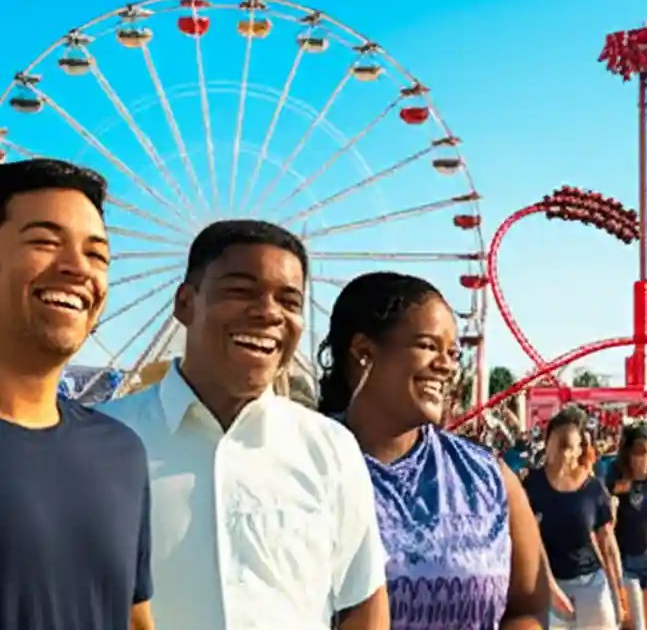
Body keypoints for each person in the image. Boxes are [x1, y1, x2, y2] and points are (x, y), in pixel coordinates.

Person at [100, 220, 389, 629]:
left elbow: (363, 602)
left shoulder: (330, 448)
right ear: (185, 303)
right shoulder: (102, 440)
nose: (269, 312)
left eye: (289, 302)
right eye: (240, 291)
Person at [315, 272, 548, 630]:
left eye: (452, 352)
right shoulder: (301, 467)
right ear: (363, 352)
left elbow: (527, 609)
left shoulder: (489, 478)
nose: (448, 365)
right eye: (428, 345)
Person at [0, 159, 154, 629]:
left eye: (98, 255)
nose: (77, 269)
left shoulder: (121, 452)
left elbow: (134, 617)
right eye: (45, 242)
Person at [524, 405, 628, 629]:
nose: (564, 453)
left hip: (591, 585)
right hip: (546, 586)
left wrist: (618, 593)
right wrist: (550, 588)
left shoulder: (593, 489)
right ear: (546, 441)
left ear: (580, 449)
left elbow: (608, 544)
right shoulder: (530, 486)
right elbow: (528, 543)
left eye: (570, 447)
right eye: (559, 444)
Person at [606, 420, 647, 630]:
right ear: (629, 451)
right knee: (635, 626)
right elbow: (609, 517)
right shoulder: (616, 473)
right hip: (627, 561)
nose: (646, 456)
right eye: (640, 450)